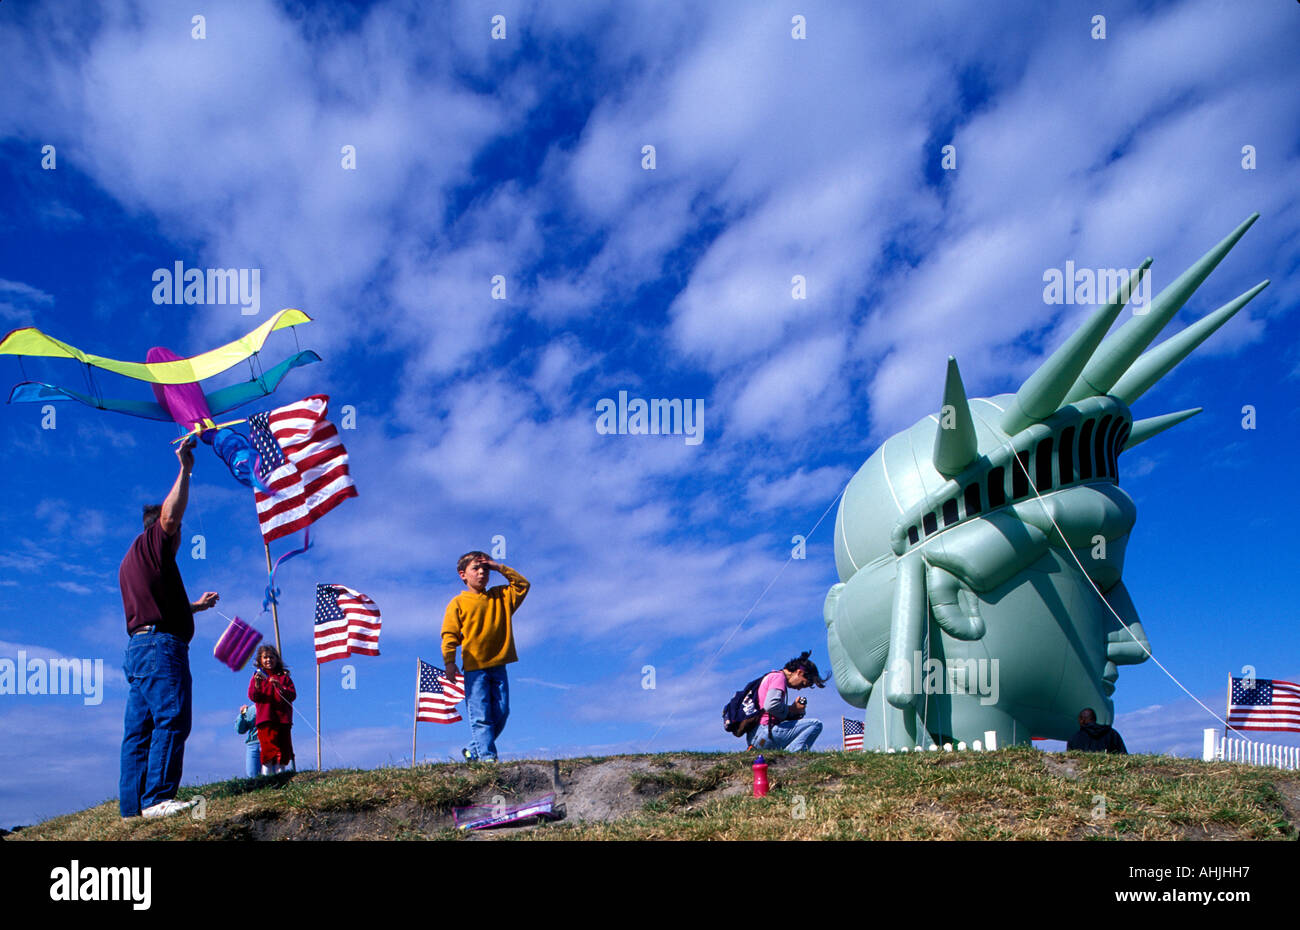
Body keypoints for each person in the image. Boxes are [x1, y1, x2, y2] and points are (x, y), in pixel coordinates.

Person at [118, 436, 220, 820]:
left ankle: (133, 809)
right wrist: (186, 468)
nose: (178, 536)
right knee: (173, 716)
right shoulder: (153, 542)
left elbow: (156, 608)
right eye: (175, 532)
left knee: (139, 729)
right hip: (161, 649)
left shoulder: (135, 562)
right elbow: (170, 516)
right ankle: (157, 799)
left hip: (140, 648)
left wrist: (196, 606)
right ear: (163, 531)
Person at [441, 551, 530, 762]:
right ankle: (488, 759)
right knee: (481, 716)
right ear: (463, 574)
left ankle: (473, 749)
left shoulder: (501, 597)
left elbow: (523, 585)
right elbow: (449, 634)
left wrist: (498, 566)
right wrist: (450, 662)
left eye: (485, 569)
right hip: (474, 668)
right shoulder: (458, 603)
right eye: (476, 569)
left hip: (499, 664)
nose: (482, 573)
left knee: (501, 712)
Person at [748, 651, 825, 752]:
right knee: (815, 724)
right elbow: (771, 706)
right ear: (799, 672)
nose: (799, 688)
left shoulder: (771, 676)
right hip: (765, 732)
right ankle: (793, 757)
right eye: (802, 683)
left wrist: (795, 713)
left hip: (755, 735)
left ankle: (784, 754)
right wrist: (792, 709)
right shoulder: (779, 677)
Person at [248, 645, 296, 774]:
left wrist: (280, 687)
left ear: (277, 659)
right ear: (260, 660)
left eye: (271, 657)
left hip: (283, 720)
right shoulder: (257, 677)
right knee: (268, 749)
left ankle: (282, 775)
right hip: (266, 719)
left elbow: (292, 695)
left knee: (284, 748)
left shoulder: (284, 678)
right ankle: (267, 778)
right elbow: (253, 696)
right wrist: (257, 685)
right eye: (265, 657)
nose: (268, 660)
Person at [237, 704, 261, 778]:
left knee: (270, 774)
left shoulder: (274, 705)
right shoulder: (251, 710)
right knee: (252, 775)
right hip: (253, 745)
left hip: (269, 742)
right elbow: (240, 729)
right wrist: (242, 715)